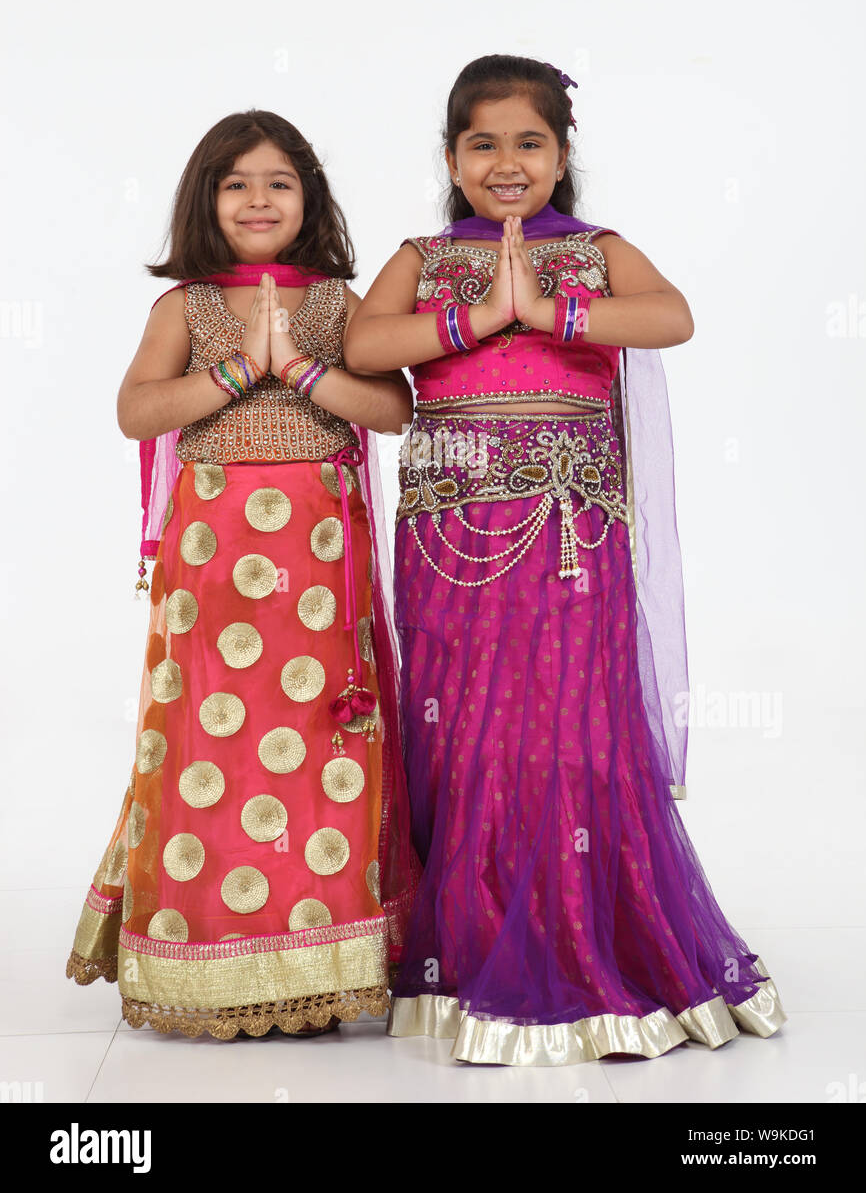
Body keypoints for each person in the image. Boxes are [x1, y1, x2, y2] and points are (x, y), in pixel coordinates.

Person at [343, 54, 787, 1066]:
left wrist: (548, 311)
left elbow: (671, 316)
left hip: (570, 538)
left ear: (562, 151)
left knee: (567, 723)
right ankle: (461, 953)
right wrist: (473, 318)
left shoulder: (594, 250)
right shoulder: (422, 254)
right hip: (449, 549)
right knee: (459, 732)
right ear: (450, 155)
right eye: (482, 142)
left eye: (528, 142)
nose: (505, 162)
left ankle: (578, 943)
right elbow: (368, 348)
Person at [66, 110, 419, 1039]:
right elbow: (138, 412)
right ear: (204, 201)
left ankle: (325, 954)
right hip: (214, 556)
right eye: (236, 183)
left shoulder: (343, 303)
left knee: (323, 739)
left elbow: (390, 409)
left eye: (278, 182)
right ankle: (211, 959)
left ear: (310, 199)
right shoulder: (184, 306)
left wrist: (297, 370)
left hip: (322, 556)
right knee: (211, 735)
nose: (258, 200)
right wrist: (233, 375)